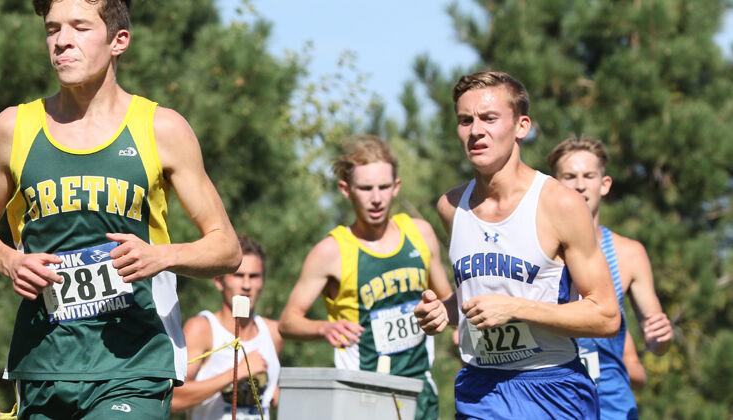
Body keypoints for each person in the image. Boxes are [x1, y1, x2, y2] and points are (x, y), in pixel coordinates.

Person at [0, 0, 241, 418]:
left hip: (136, 361)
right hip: (45, 361)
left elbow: (227, 248)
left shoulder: (162, 129)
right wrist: (8, 261)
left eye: (80, 27)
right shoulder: (13, 128)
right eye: (53, 29)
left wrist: (162, 256)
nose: (62, 42)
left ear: (118, 41)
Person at [413, 71, 621, 419]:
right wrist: (447, 310)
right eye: (465, 121)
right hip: (480, 387)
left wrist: (515, 308)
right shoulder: (451, 207)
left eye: (489, 118)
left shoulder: (560, 203)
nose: (476, 130)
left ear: (521, 126)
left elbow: (606, 315)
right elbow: (481, 294)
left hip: (552, 388)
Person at [279, 135, 453, 420]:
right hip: (363, 396)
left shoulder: (420, 233)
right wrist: (324, 328)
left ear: (396, 187)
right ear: (346, 190)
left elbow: (447, 302)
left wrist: (450, 320)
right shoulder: (330, 251)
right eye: (366, 188)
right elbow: (288, 322)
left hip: (419, 390)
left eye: (384, 187)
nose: (376, 198)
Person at [548, 136, 673, 419]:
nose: (580, 185)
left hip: (610, 400)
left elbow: (656, 341)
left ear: (604, 184)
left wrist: (661, 338)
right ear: (554, 185)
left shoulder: (629, 253)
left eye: (588, 175)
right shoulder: (537, 250)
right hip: (551, 394)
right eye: (569, 176)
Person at [172, 235, 282, 419]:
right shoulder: (203, 329)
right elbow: (173, 398)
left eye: (254, 276)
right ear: (218, 281)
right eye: (238, 275)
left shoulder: (273, 332)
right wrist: (234, 374)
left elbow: (269, 395)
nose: (246, 285)